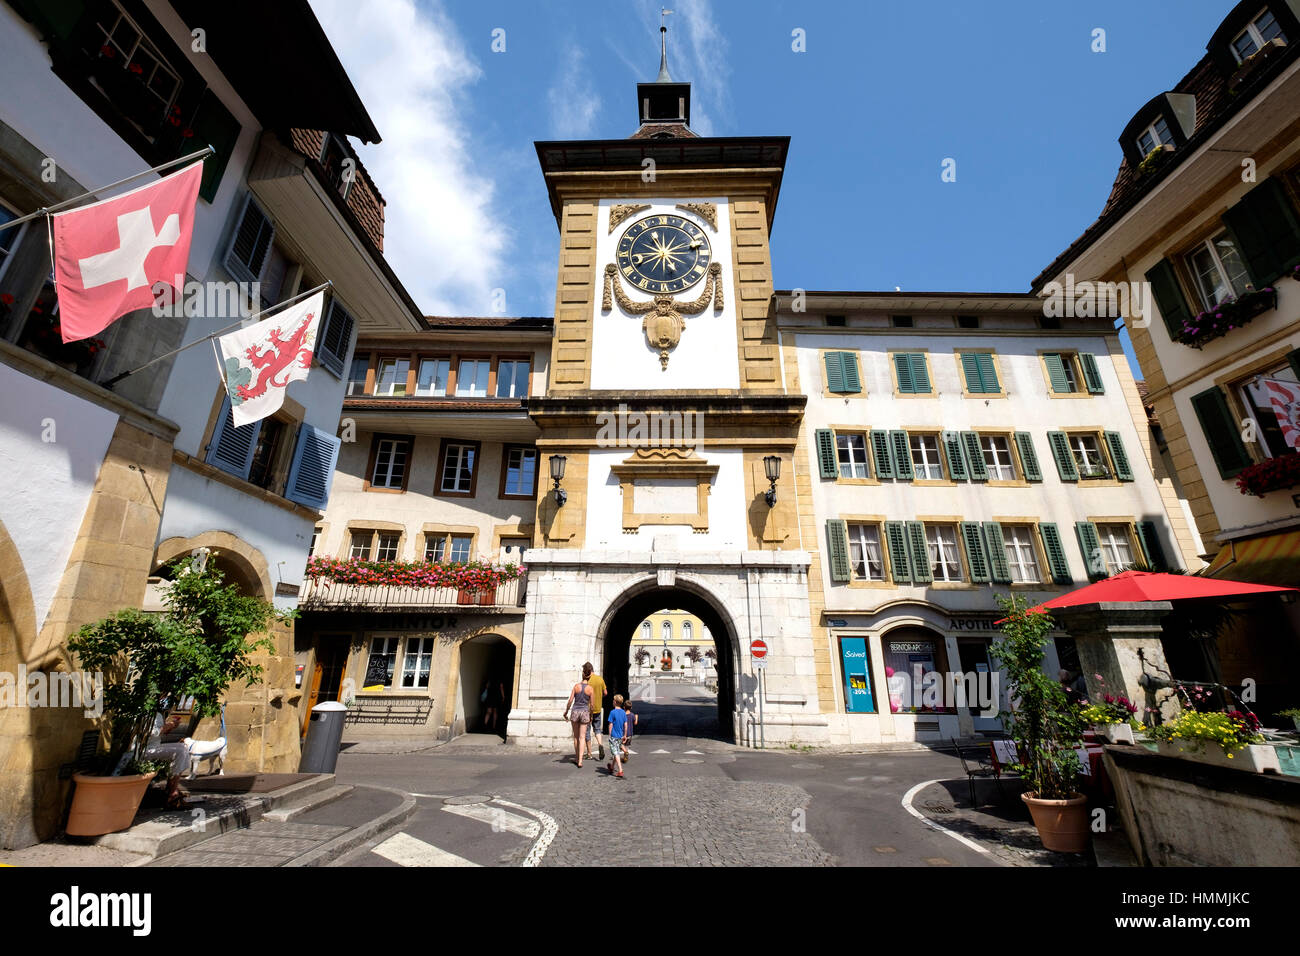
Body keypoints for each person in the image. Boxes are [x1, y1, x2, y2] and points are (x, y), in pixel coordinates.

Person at [563, 664, 595, 767]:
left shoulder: (576, 686)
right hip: (585, 711)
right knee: (582, 737)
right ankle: (580, 760)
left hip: (575, 711)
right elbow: (592, 705)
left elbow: (570, 701)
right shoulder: (590, 689)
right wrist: (591, 716)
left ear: (582, 674)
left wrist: (566, 711)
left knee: (576, 737)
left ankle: (577, 758)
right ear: (589, 676)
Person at [585, 663, 607, 762]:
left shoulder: (587, 681)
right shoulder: (600, 679)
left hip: (588, 709)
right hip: (598, 708)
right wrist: (599, 697)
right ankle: (600, 744)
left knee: (587, 731)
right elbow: (605, 693)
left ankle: (589, 753)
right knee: (597, 729)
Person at [606, 694, 628, 778]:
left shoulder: (612, 712)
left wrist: (609, 734)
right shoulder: (623, 712)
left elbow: (610, 724)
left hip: (614, 736)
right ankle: (611, 767)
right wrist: (625, 735)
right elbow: (625, 725)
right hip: (620, 736)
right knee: (616, 751)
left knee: (616, 753)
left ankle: (620, 770)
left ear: (615, 702)